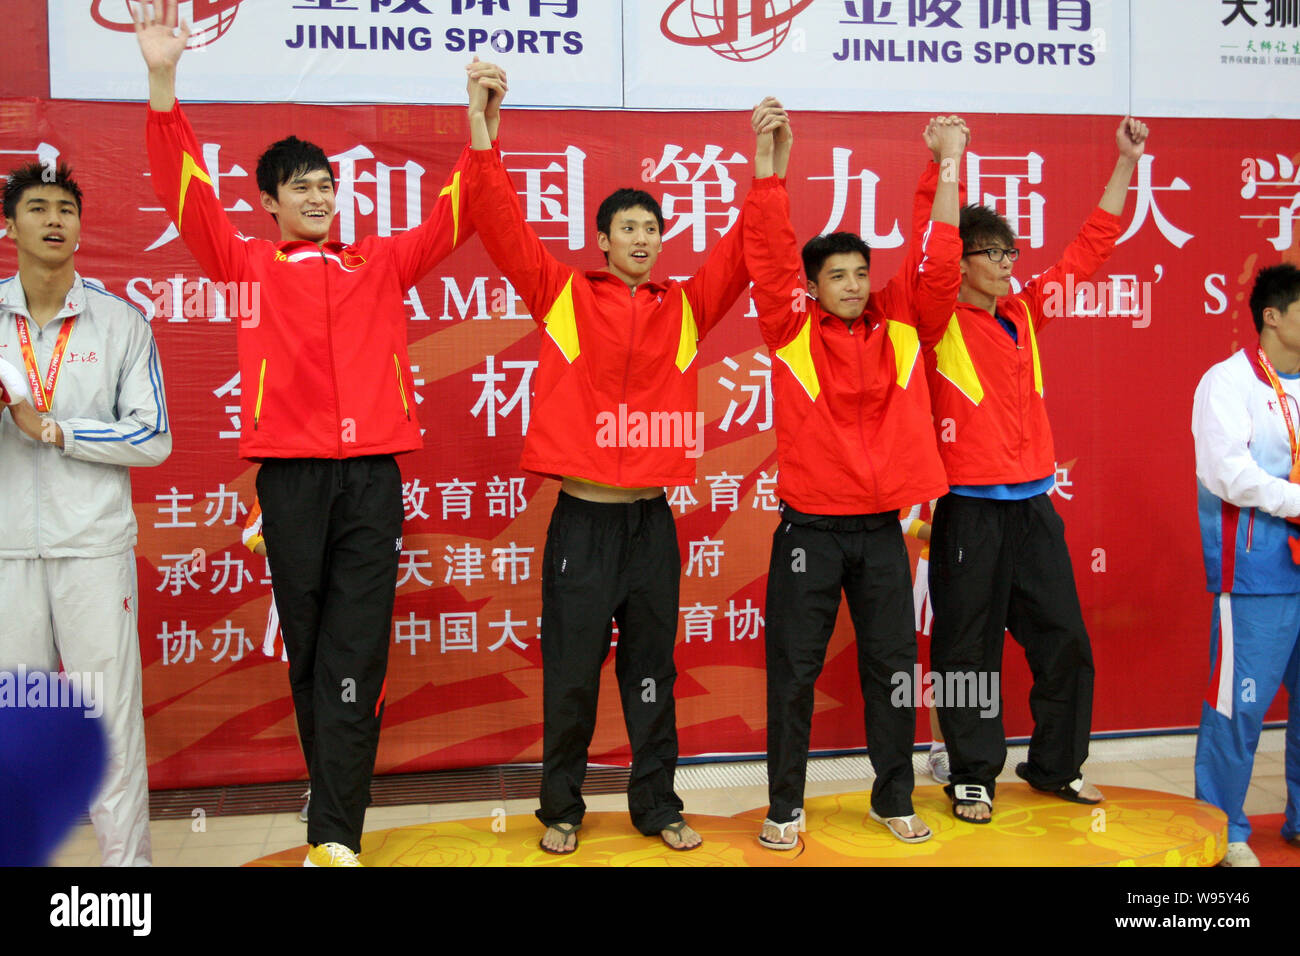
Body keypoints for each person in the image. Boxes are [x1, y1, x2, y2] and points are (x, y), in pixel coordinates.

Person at [135, 1, 492, 866]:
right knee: (310, 650)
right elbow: (185, 198)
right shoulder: (246, 264)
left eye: (327, 186)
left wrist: (482, 129)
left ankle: (336, 831)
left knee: (356, 651)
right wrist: (161, 82)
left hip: (373, 476)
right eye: (301, 187)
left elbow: (458, 214)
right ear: (269, 202)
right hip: (290, 479)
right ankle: (328, 786)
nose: (320, 197)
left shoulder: (379, 263)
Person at [462, 61, 752, 854]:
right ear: (602, 239)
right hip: (583, 528)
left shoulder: (685, 309)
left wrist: (768, 174)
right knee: (573, 677)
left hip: (650, 529)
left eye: (653, 230)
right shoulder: (564, 296)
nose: (643, 239)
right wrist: (482, 124)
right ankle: (561, 809)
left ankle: (657, 807)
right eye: (628, 228)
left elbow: (742, 254)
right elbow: (496, 217)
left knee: (652, 678)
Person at [742, 100, 966, 849]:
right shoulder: (791, 329)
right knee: (794, 675)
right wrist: (770, 163)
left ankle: (892, 796)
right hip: (808, 532)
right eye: (836, 275)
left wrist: (947, 164)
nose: (853, 284)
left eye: (861, 272)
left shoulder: (903, 322)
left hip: (880, 534)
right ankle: (785, 807)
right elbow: (770, 256)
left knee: (892, 671)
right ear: (813, 285)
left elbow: (938, 254)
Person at [918, 117, 1150, 823]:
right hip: (968, 511)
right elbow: (932, 247)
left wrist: (1125, 162)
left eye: (1009, 249)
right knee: (967, 652)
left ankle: (1055, 764)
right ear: (962, 260)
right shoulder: (936, 320)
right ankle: (970, 773)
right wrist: (947, 165)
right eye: (989, 251)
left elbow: (1089, 250)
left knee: (1066, 641)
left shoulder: (1025, 311)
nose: (1006, 260)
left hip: (1034, 509)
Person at [0, 160, 171, 866]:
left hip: (95, 555)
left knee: (107, 725)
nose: (52, 219)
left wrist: (57, 429)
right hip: (5, 555)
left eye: (65, 208)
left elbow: (153, 435)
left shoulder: (121, 321)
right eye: (36, 207)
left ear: (79, 224)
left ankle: (125, 876)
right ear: (9, 226)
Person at [1192, 263, 1300, 867]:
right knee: (1240, 708)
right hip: (1257, 574)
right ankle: (1225, 828)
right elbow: (1226, 474)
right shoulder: (1227, 383)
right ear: (1273, 317)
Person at [902, 501, 950, 783]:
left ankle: (971, 747)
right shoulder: (924, 462)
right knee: (945, 661)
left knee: (975, 658)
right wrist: (946, 534)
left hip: (982, 565)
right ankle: (940, 747)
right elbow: (904, 521)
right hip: (939, 568)